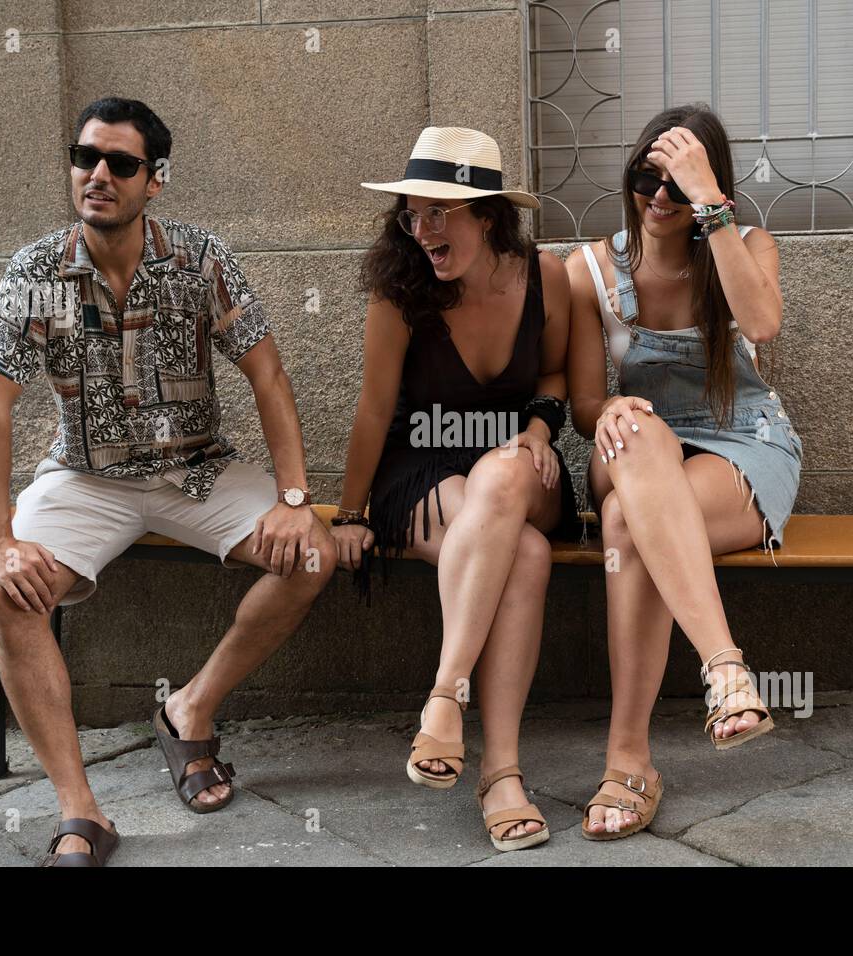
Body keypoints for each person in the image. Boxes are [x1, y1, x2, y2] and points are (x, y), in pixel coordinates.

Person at [0, 97, 336, 866]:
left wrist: (297, 499)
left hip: (196, 469)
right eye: (85, 158)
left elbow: (267, 375)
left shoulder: (201, 258)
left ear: (154, 180)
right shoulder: (36, 271)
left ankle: (189, 709)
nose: (97, 175)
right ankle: (82, 812)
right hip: (86, 477)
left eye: (121, 163)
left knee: (313, 556)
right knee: (9, 595)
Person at [330, 127, 578, 851]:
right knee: (525, 558)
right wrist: (349, 513)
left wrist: (539, 429)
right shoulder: (401, 289)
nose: (422, 230)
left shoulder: (548, 278)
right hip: (423, 469)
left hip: (523, 468)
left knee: (503, 477)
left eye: (439, 212)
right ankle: (502, 775)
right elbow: (375, 409)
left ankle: (445, 696)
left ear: (489, 215)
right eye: (412, 214)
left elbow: (557, 376)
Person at [565, 104, 804, 841]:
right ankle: (725, 667)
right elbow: (582, 402)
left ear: (709, 188)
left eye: (678, 183)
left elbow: (761, 324)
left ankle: (628, 765)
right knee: (635, 433)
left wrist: (714, 210)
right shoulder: (590, 270)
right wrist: (606, 409)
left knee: (626, 529)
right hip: (634, 443)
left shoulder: (747, 243)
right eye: (648, 178)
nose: (659, 198)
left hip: (743, 443)